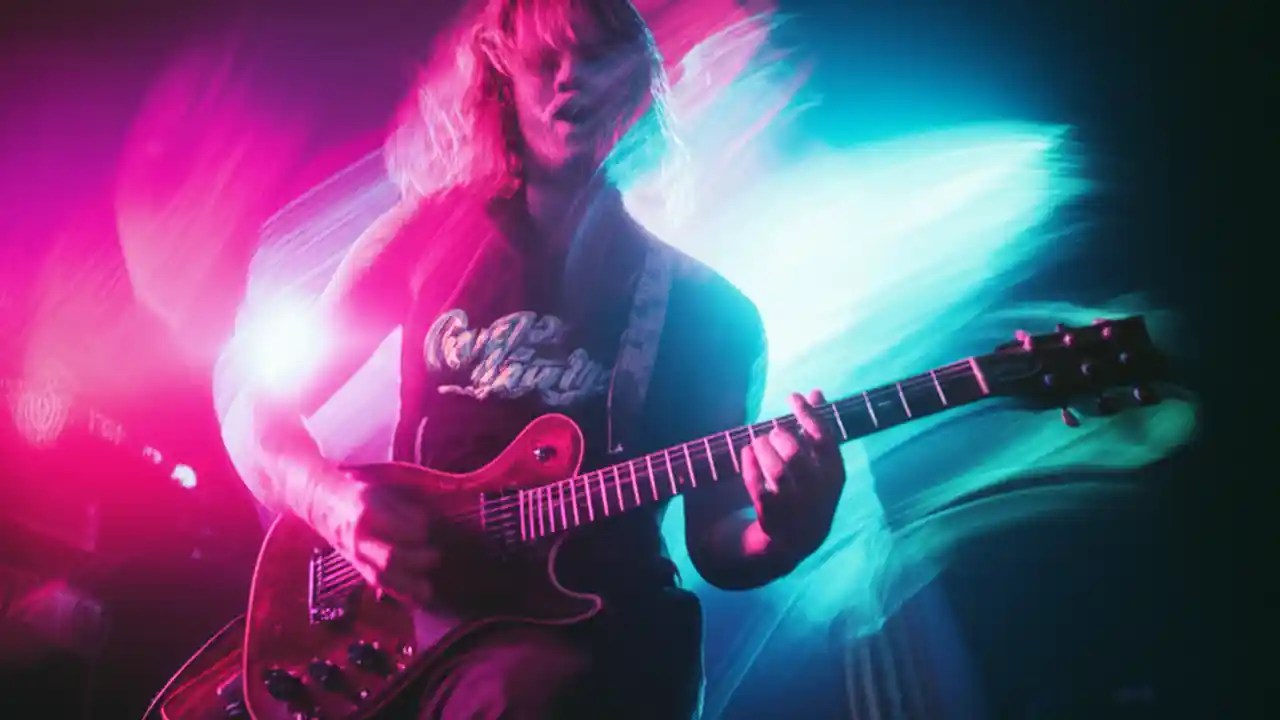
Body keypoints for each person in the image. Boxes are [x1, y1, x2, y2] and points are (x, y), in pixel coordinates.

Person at [228, 0, 846, 717]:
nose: (571, 81)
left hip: (592, 653)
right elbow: (261, 414)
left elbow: (718, 540)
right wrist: (330, 505)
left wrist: (787, 531)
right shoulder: (428, 233)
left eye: (595, 59)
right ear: (502, 74)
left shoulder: (713, 316)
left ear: (636, 87)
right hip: (413, 633)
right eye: (547, 59)